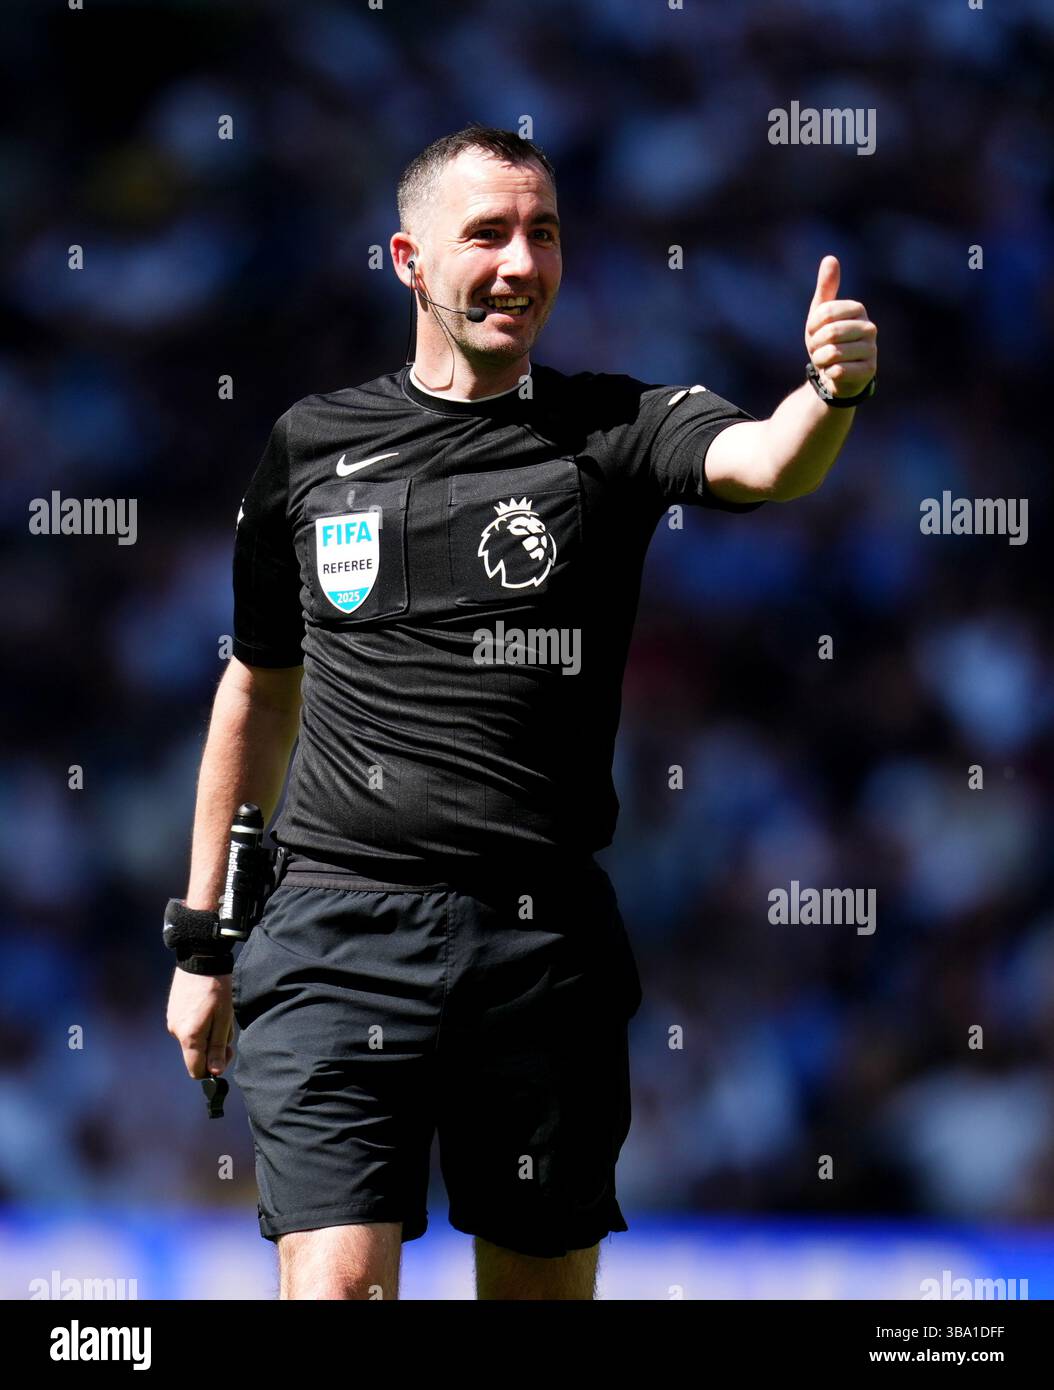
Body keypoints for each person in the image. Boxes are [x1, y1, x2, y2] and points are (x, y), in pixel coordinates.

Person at [165, 123, 878, 1300]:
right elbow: (258, 686)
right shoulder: (311, 446)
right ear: (406, 258)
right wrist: (204, 942)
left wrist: (829, 390)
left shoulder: (616, 423)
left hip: (540, 944)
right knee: (337, 1287)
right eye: (486, 233)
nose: (520, 261)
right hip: (338, 931)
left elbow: (764, 463)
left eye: (542, 233)